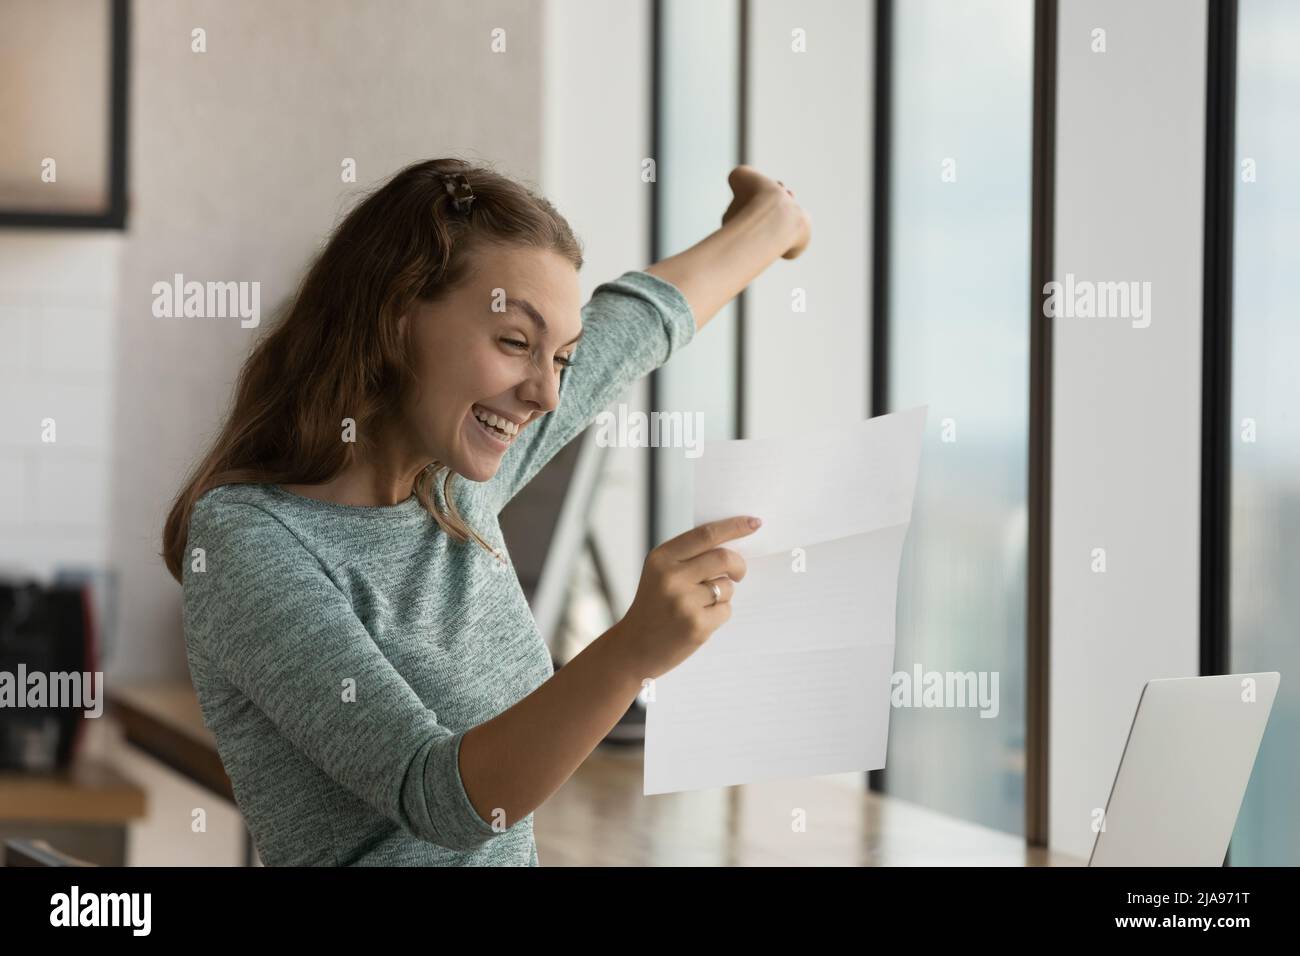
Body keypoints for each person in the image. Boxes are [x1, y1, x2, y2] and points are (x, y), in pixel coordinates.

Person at [161, 157, 810, 865]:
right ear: (397, 317)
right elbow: (437, 796)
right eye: (514, 343)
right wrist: (632, 653)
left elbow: (632, 329)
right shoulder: (247, 542)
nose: (546, 394)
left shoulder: (452, 489)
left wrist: (766, 226)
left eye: (561, 359)